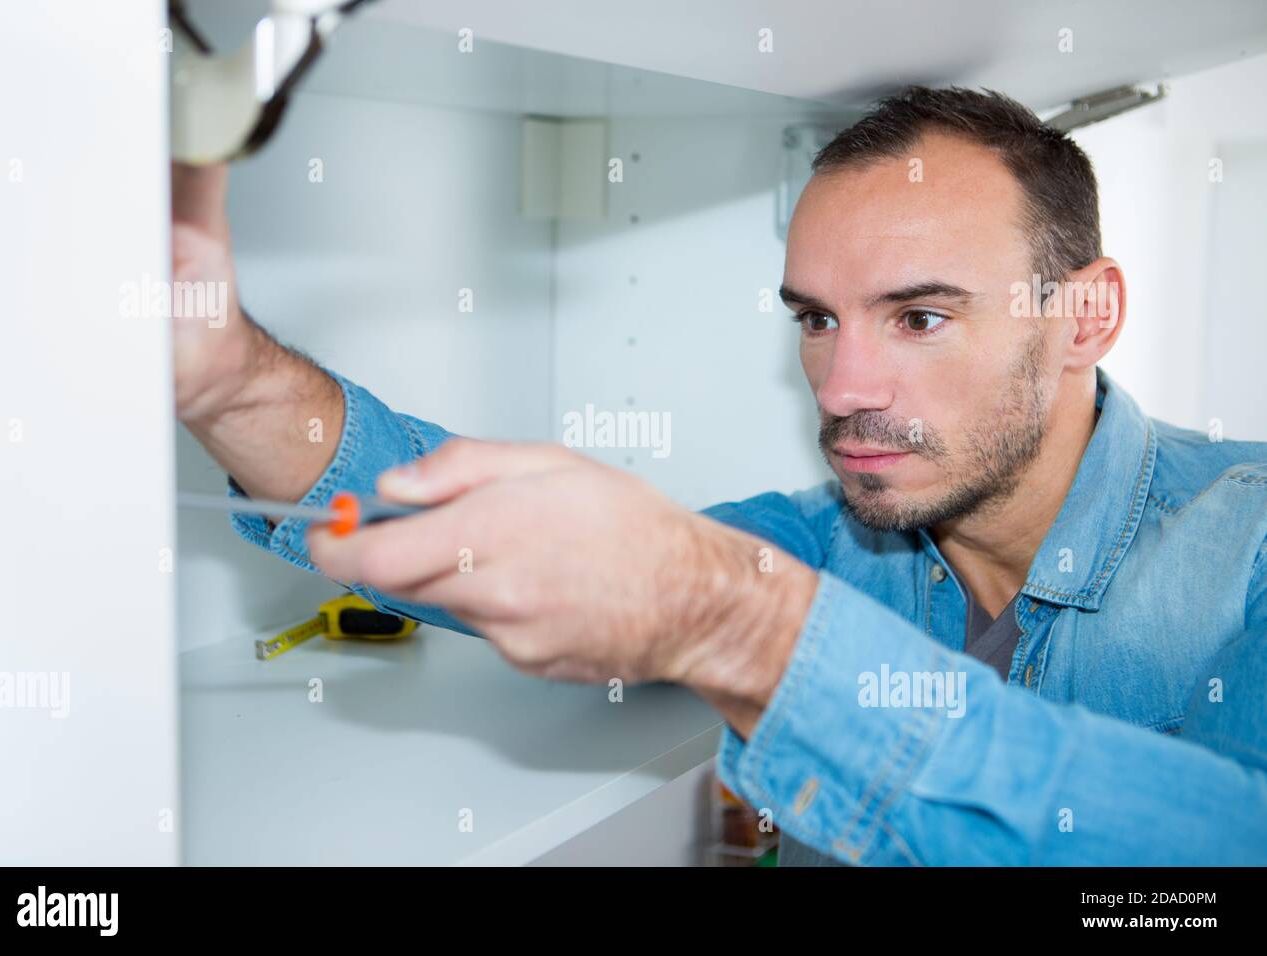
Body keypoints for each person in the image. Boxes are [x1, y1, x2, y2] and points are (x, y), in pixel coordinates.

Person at [172, 86, 1267, 865]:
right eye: (817, 319)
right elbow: (485, 536)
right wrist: (229, 382)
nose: (841, 386)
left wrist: (742, 623)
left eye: (920, 315)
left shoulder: (1249, 545)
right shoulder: (847, 539)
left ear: (1087, 314)